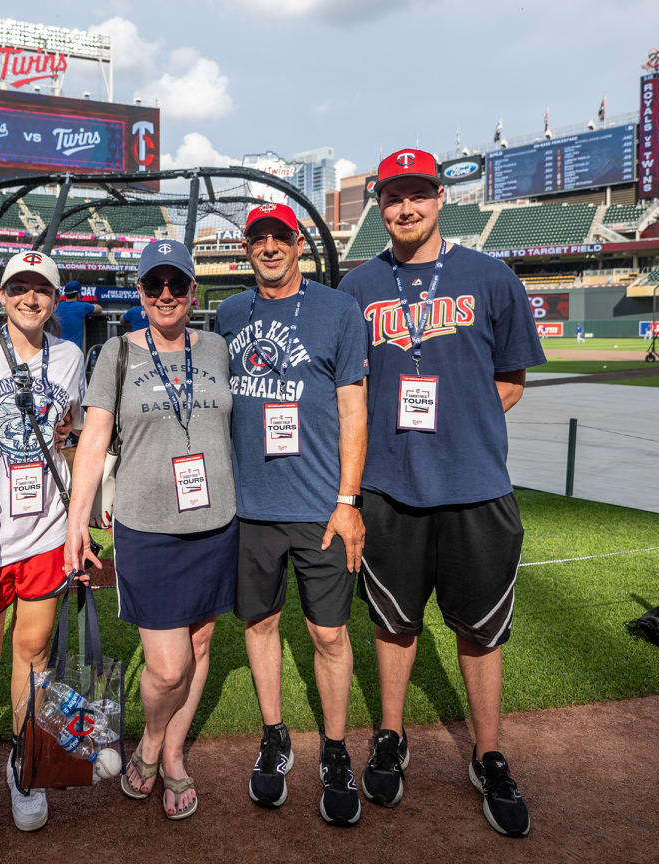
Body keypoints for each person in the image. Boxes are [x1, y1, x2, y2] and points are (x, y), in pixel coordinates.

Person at [337, 148, 546, 838]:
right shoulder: (359, 285)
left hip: (474, 486)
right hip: (391, 487)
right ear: (379, 203)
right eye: (393, 197)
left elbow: (510, 381)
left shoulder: (490, 276)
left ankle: (488, 753)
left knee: (480, 633)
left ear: (440, 197)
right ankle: (391, 737)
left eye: (418, 194)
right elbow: (350, 390)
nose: (405, 208)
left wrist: (459, 430)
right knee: (394, 623)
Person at [64, 239, 235, 821]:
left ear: (193, 292)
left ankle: (175, 756)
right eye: (155, 285)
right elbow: (92, 440)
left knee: (201, 645)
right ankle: (151, 742)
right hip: (147, 525)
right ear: (140, 293)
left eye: (178, 285)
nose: (167, 295)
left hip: (214, 522)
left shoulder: (215, 347)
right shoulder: (114, 353)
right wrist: (76, 521)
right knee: (166, 666)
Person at [213, 202, 368, 826]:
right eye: (259, 238)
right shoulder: (228, 314)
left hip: (319, 507)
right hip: (249, 508)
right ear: (247, 248)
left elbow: (354, 411)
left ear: (298, 243)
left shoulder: (337, 310)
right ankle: (274, 735)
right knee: (260, 624)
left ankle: (334, 748)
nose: (270, 246)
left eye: (281, 236)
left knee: (328, 633)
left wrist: (348, 500)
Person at [0, 250, 85, 832]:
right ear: (1, 296)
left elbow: (75, 430)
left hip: (43, 531)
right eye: (19, 289)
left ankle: (21, 761)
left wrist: (71, 439)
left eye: (41, 290)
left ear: (55, 299)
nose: (29, 298)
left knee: (32, 653)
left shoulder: (70, 357)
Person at [53, 281, 103, 350]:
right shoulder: (82, 306)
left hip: (56, 349)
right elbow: (99, 308)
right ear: (78, 294)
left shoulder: (57, 306)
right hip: (74, 351)